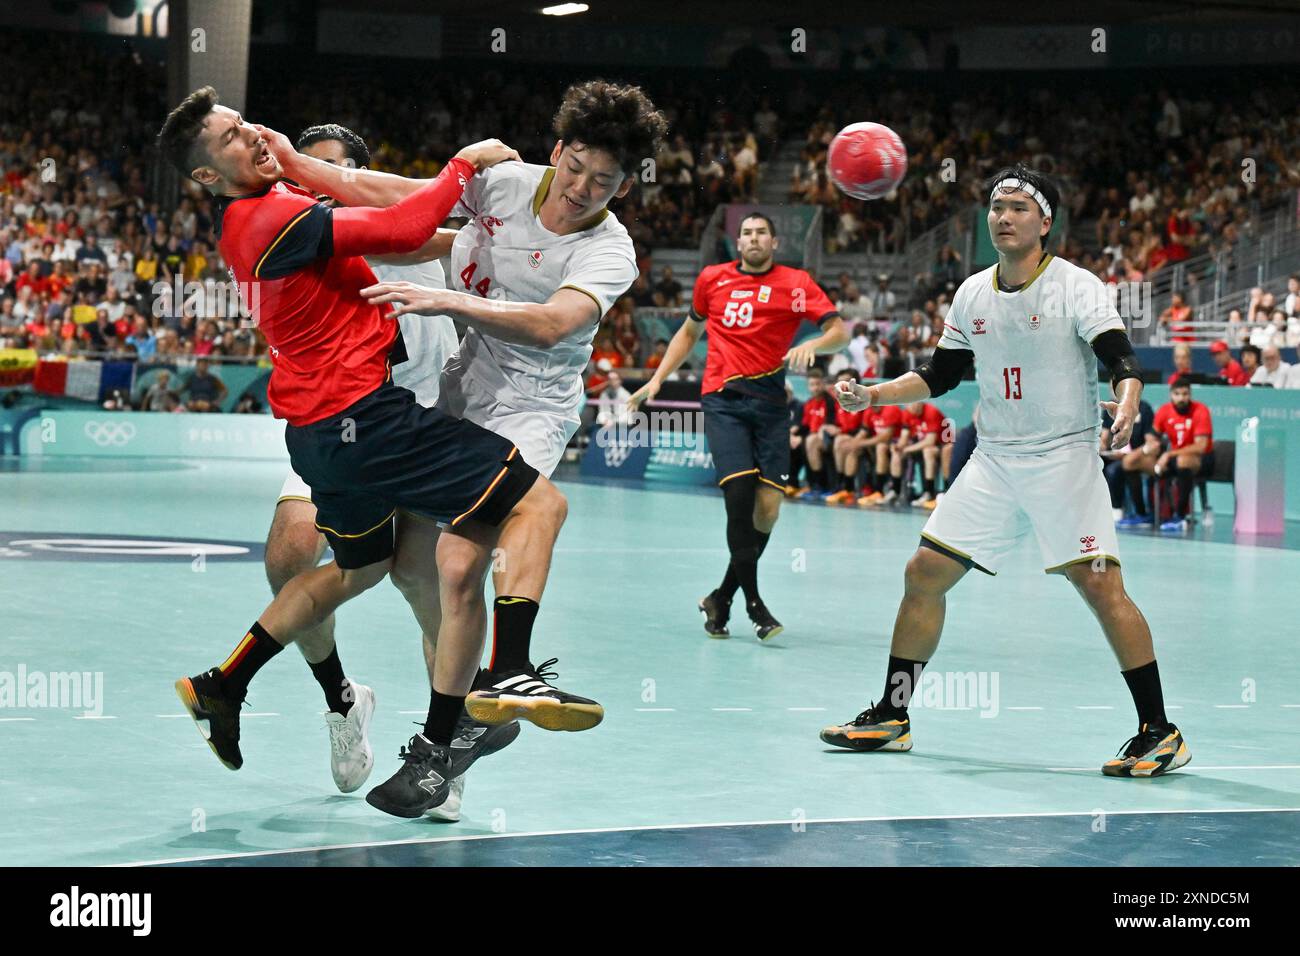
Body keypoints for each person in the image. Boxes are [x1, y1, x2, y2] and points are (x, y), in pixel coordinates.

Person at [158, 86, 576, 821]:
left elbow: (415, 231)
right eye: (229, 139)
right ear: (206, 177)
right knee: (535, 504)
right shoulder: (278, 216)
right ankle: (503, 678)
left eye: (244, 124)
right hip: (369, 421)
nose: (251, 137)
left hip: (325, 429)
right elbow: (407, 219)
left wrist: (485, 240)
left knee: (372, 570)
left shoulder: (271, 205)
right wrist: (466, 165)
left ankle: (225, 683)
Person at [278, 79, 665, 745]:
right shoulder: (509, 183)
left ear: (624, 186)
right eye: (574, 169)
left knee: (460, 563)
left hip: (530, 405)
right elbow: (397, 194)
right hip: (464, 386)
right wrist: (287, 160)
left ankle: (496, 683)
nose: (580, 190)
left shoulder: (610, 250)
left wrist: (450, 302)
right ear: (558, 150)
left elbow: (550, 325)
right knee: (413, 572)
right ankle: (454, 724)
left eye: (602, 182)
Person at [821, 164, 1190, 778]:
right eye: (996, 206)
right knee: (924, 573)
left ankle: (1160, 730)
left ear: (1045, 222)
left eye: (1019, 206)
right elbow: (941, 375)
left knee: (1100, 585)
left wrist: (1127, 403)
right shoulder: (971, 293)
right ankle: (892, 713)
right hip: (994, 459)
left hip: (1064, 456)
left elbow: (1120, 358)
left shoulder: (1076, 286)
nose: (1004, 216)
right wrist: (874, 395)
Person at [259, 123, 491, 823]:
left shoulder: (411, 230)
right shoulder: (296, 239)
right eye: (306, 171)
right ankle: (342, 699)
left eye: (333, 170)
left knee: (424, 581)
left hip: (418, 429)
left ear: (361, 178)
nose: (316, 182)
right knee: (289, 556)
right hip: (335, 427)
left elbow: (433, 235)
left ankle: (445, 753)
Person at [628, 212, 847, 640]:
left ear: (774, 242)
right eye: (746, 233)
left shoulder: (796, 284)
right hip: (723, 400)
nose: (753, 239)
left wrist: (815, 345)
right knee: (739, 493)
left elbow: (838, 330)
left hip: (770, 405)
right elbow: (689, 335)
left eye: (761, 232)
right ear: (738, 241)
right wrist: (656, 379)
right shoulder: (712, 279)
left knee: (767, 510)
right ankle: (754, 603)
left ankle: (720, 596)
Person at [1144, 377, 1214, 532]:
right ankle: (1149, 514)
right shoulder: (1164, 410)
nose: (1181, 398)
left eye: (1185, 394)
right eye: (1177, 394)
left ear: (1190, 395)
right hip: (1175, 457)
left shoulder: (1200, 410)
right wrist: (1152, 443)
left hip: (1202, 459)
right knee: (1141, 462)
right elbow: (1152, 434)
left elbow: (1201, 446)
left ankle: (1181, 516)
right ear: (1171, 395)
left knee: (1183, 461)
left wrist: (1168, 455)